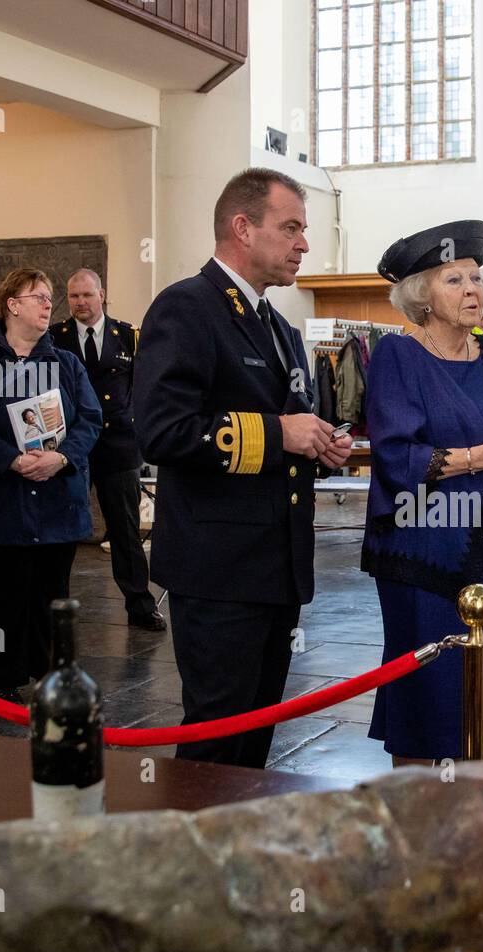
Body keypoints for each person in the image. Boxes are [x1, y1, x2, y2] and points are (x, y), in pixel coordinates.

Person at [135, 168, 352, 768]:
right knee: (217, 730)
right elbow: (163, 430)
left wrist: (318, 444)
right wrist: (281, 433)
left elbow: (289, 429)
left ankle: (240, 843)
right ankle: (199, 850)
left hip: (273, 564)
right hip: (218, 566)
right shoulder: (187, 308)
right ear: (242, 227)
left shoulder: (277, 326)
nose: (304, 244)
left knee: (256, 728)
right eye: (291, 228)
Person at [365, 220, 483, 765]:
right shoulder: (398, 356)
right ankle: (417, 812)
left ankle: (466, 810)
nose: (472, 290)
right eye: (454, 280)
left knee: (474, 696)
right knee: (424, 698)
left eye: (477, 279)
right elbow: (396, 457)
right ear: (421, 296)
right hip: (422, 550)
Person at [0, 269, 102, 702]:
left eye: (48, 298)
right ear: (11, 305)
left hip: (58, 498)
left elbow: (90, 420)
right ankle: (3, 676)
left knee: (52, 594)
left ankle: (51, 672)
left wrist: (61, 457)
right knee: (6, 593)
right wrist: (13, 460)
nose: (46, 305)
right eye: (37, 297)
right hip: (3, 499)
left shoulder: (66, 362)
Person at [51, 268, 165, 629]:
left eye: (87, 295)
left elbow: (145, 390)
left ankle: (140, 605)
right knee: (64, 529)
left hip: (117, 445)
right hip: (71, 446)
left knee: (125, 530)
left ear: (102, 295)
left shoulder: (129, 337)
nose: (80, 303)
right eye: (73, 296)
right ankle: (56, 606)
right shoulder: (55, 338)